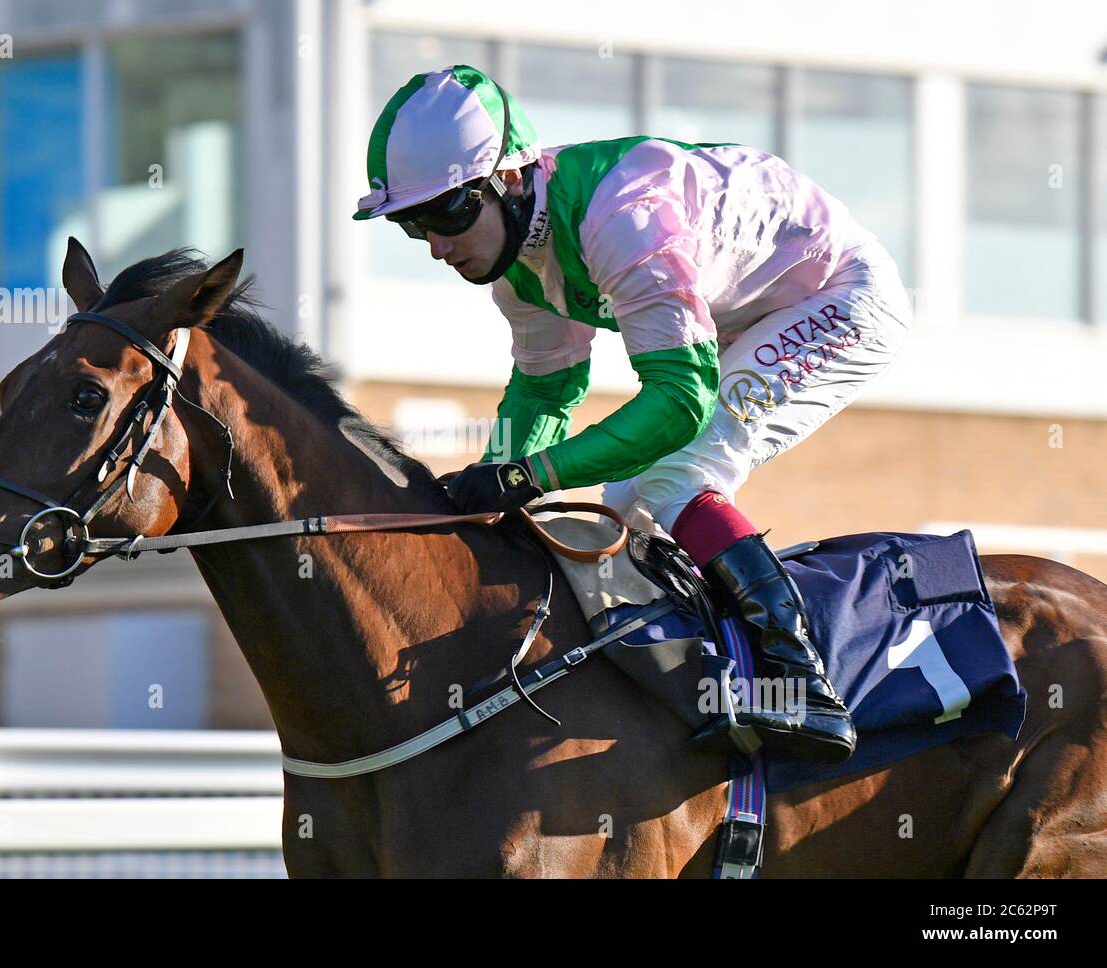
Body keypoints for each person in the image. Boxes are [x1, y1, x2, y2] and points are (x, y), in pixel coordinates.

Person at [353, 65, 912, 764]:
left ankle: (803, 686)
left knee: (678, 473)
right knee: (628, 509)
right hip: (750, 309)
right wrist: (493, 479)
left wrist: (529, 477)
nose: (436, 244)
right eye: (413, 225)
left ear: (513, 179)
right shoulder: (518, 273)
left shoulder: (622, 218)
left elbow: (676, 404)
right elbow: (545, 393)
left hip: (840, 296)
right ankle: (706, 686)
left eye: (448, 214)